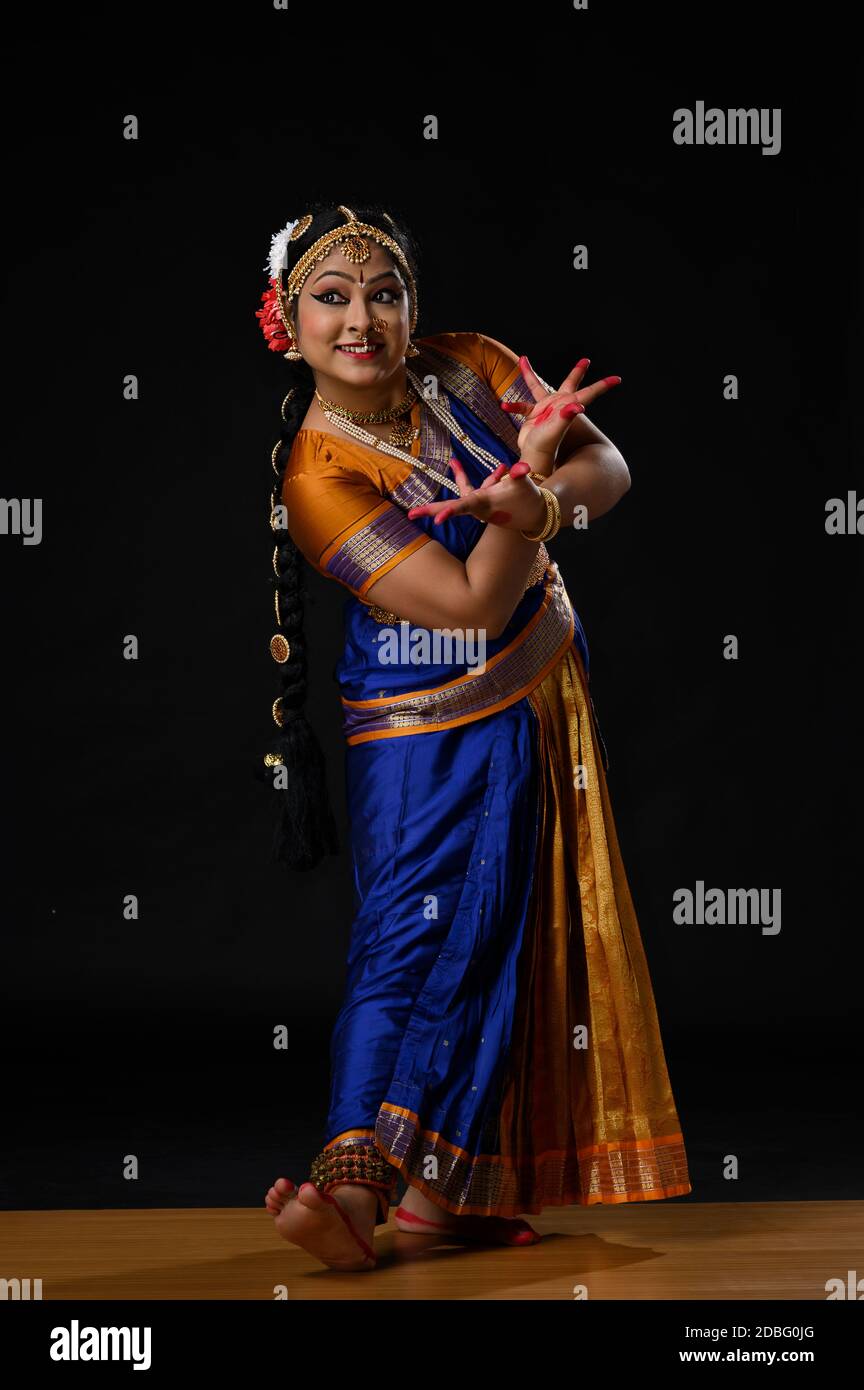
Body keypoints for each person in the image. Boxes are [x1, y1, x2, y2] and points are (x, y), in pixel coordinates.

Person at [257, 203, 692, 1271]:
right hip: (424, 728)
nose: (362, 319)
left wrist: (538, 499)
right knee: (411, 938)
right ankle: (351, 1188)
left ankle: (450, 1196)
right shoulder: (317, 476)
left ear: (415, 307)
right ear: (283, 319)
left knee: (512, 939)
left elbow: (610, 471)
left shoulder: (470, 363)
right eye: (333, 297)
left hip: (542, 691)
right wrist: (531, 496)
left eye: (385, 293)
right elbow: (464, 608)